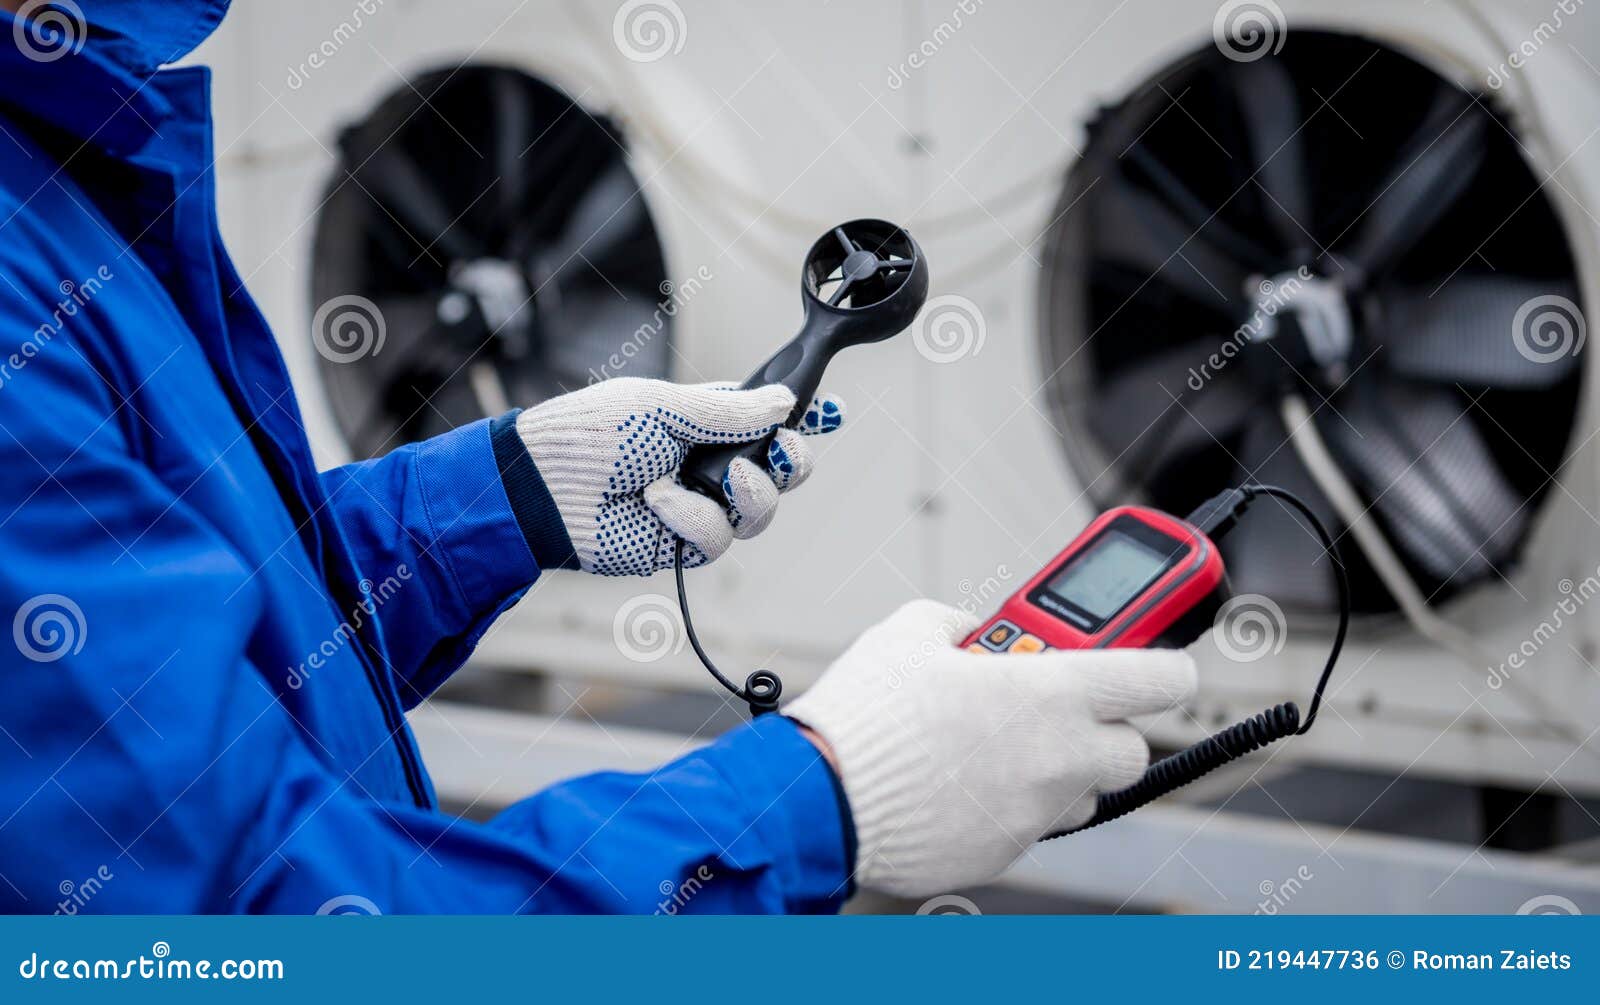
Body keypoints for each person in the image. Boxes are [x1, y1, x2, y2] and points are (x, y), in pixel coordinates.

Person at [0, 0, 1195, 913]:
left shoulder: (64, 149)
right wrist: (826, 795)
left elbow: (212, 658)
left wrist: (509, 494)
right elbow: (256, 916)